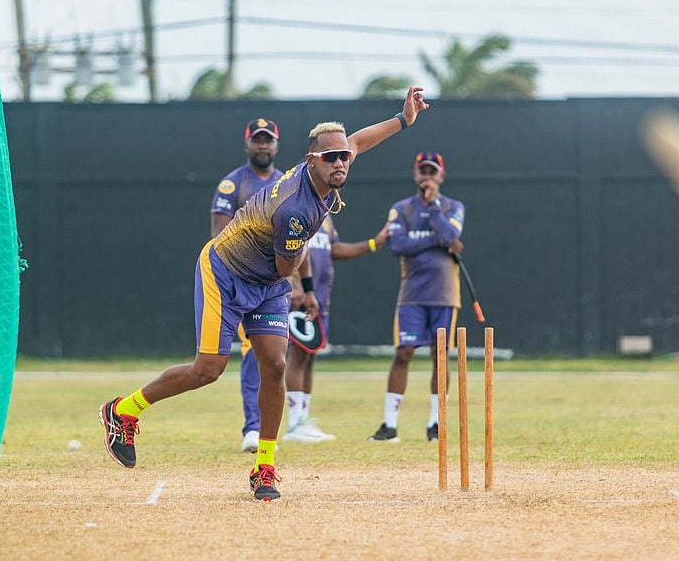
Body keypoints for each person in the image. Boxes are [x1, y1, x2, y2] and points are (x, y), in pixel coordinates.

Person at [100, 86, 430, 501]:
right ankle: (124, 410)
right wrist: (299, 284)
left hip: (267, 282)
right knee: (209, 370)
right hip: (225, 273)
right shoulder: (296, 210)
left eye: (343, 156)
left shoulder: (329, 168)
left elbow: (362, 139)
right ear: (314, 160)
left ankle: (265, 467)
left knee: (274, 365)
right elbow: (286, 266)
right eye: (332, 157)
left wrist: (403, 119)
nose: (342, 162)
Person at [369, 151, 465, 443]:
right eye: (423, 171)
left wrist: (435, 209)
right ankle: (389, 424)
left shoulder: (452, 206)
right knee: (404, 352)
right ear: (415, 175)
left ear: (441, 176)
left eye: (432, 172)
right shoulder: (401, 208)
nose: (427, 177)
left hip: (444, 295)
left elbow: (450, 237)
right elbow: (397, 245)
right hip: (412, 295)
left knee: (441, 356)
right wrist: (434, 239)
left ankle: (436, 424)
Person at [210, 118, 284, 454]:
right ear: (247, 144)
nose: (263, 145)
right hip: (240, 282)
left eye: (268, 140)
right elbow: (219, 237)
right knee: (247, 354)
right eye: (257, 140)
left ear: (276, 145)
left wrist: (300, 282)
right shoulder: (233, 184)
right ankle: (252, 427)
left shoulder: (287, 183)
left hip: (276, 284)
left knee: (275, 359)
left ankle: (271, 428)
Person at [283, 217, 389, 443]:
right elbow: (282, 247)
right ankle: (294, 424)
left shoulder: (325, 216)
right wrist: (292, 285)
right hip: (297, 297)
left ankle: (303, 418)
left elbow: (334, 249)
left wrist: (373, 244)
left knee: (309, 357)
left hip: (319, 297)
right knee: (297, 355)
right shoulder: (296, 207)